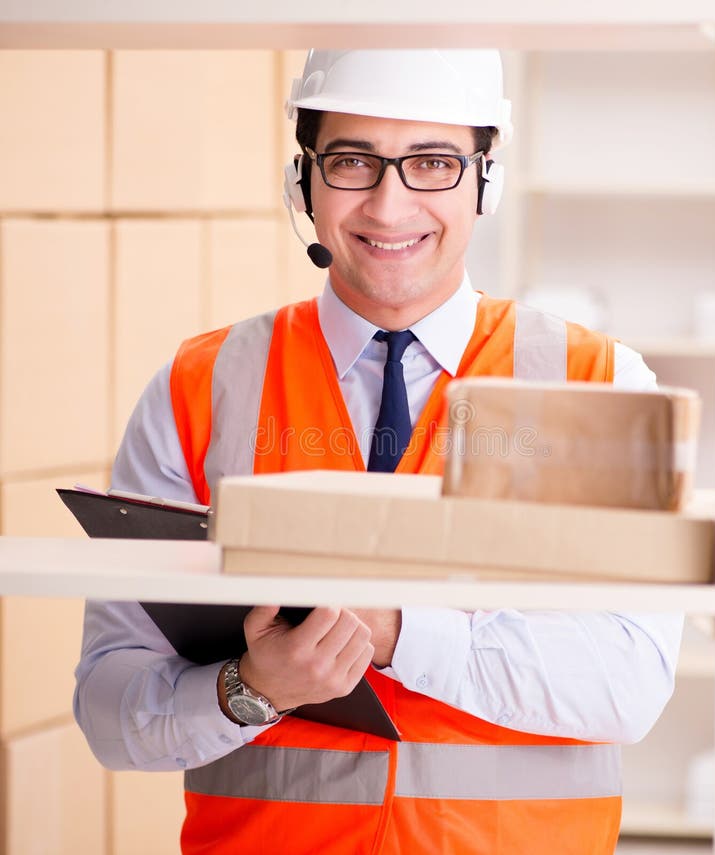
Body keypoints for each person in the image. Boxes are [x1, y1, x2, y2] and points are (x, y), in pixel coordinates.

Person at [74, 49, 683, 855]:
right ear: (304, 181)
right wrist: (251, 689)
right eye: (353, 161)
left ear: (485, 180)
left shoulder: (600, 382)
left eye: (432, 163)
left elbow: (629, 684)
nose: (389, 208)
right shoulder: (201, 385)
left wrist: (398, 633)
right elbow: (110, 713)